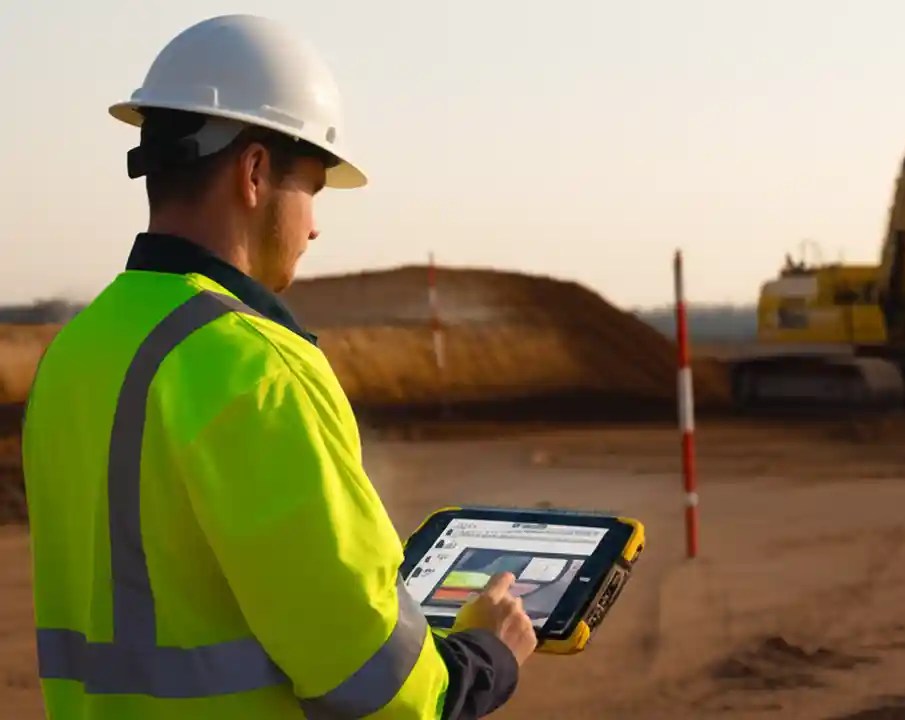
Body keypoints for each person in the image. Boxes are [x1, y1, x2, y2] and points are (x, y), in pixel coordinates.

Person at [22, 14, 536, 719]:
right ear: (256, 171)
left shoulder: (78, 350)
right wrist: (484, 658)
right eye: (314, 191)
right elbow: (383, 690)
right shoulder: (255, 367)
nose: (316, 226)